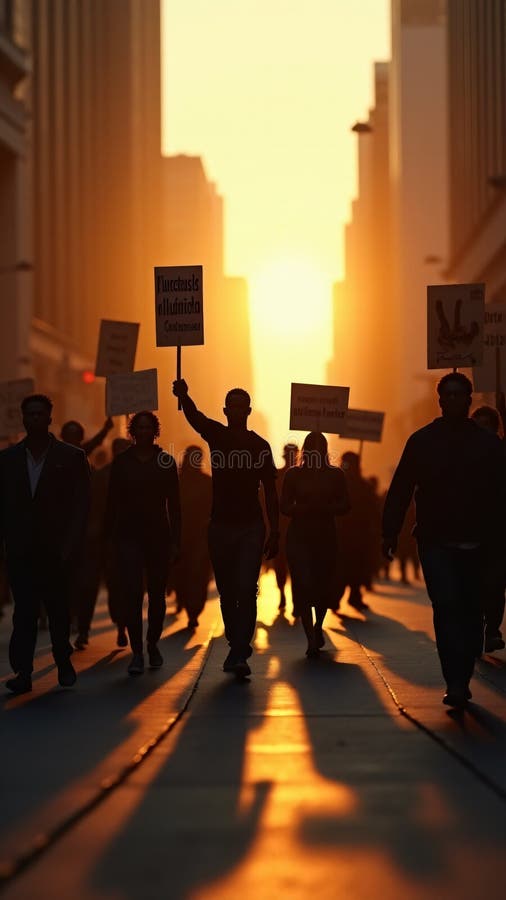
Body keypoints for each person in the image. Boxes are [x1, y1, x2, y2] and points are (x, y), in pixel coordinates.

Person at [382, 373, 505, 709]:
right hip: (436, 541)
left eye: (458, 395)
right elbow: (401, 488)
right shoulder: (422, 441)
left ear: (469, 400)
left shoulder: (489, 445)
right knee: (447, 606)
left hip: (478, 542)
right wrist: (389, 531)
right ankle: (454, 680)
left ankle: (461, 676)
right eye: (446, 395)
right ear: (440, 400)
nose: (452, 400)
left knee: (469, 611)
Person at [172, 379, 279, 679]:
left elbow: (270, 490)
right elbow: (195, 419)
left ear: (248, 410)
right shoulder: (216, 435)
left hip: (250, 527)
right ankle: (236, 641)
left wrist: (276, 531)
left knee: (246, 589)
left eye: (240, 406)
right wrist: (185, 396)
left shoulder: (259, 446)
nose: (235, 410)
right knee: (227, 590)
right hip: (220, 526)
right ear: (225, 410)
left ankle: (240, 647)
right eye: (230, 406)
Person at [0, 394, 90, 694]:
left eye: (40, 414)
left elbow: (81, 506)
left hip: (57, 552)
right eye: (30, 414)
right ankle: (23, 672)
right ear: (23, 418)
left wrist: (71, 547)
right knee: (24, 613)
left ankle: (62, 661)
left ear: (50, 418)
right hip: (21, 551)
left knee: (58, 612)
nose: (35, 419)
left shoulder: (72, 457)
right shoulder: (8, 460)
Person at [106, 412, 181, 675]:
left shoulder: (165, 462)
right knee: (132, 595)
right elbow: (111, 504)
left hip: (158, 537)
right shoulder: (123, 463)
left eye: (149, 427)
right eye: (140, 427)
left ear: (155, 431)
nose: (145, 431)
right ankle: (137, 651)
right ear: (132, 431)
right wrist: (108, 539)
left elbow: (175, 505)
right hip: (128, 536)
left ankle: (153, 644)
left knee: (157, 597)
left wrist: (176, 542)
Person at [281, 432, 350, 656]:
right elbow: (284, 506)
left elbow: (345, 505)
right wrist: (300, 509)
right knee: (303, 583)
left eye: (320, 448)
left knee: (322, 585)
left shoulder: (336, 475)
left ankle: (318, 626)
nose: (315, 453)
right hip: (300, 536)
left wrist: (327, 508)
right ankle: (310, 638)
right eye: (312, 448)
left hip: (325, 535)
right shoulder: (293, 475)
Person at [73, 437, 130, 650]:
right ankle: (84, 630)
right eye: (119, 448)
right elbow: (92, 504)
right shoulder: (100, 476)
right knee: (88, 586)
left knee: (119, 586)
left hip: (122, 539)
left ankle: (122, 626)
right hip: (97, 540)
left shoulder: (135, 476)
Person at [470, 403, 505, 652]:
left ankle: (491, 629)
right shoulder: (462, 456)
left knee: (495, 583)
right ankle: (474, 630)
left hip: (497, 532)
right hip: (468, 530)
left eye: (488, 427)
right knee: (471, 585)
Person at [171, 445, 213, 629]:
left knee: (198, 576)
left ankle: (194, 611)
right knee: (181, 574)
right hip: (179, 535)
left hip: (201, 537)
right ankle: (183, 600)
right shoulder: (177, 482)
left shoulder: (207, 482)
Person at [335, 451, 376, 612]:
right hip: (342, 534)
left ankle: (355, 595)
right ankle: (336, 597)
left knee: (357, 568)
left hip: (359, 534)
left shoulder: (363, 486)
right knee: (341, 569)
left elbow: (372, 510)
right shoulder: (338, 484)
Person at [274, 443, 298, 613]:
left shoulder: (302, 475)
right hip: (282, 527)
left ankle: (295, 599)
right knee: (283, 565)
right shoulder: (277, 475)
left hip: (297, 528)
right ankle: (283, 594)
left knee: (295, 566)